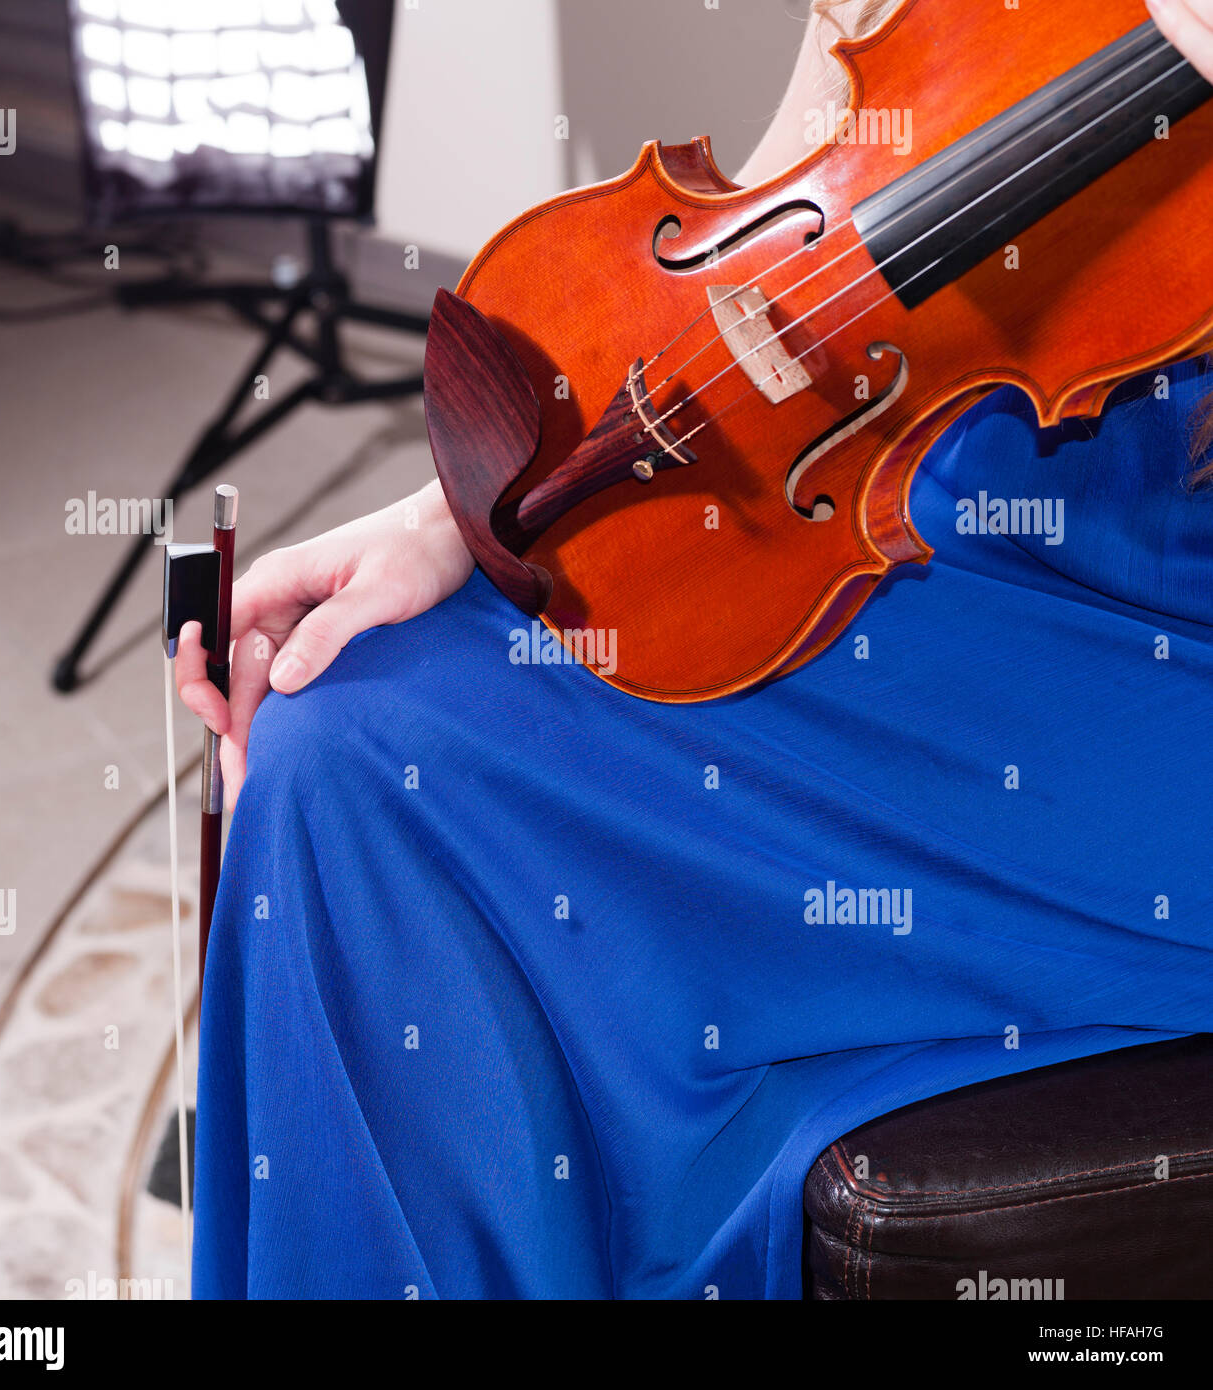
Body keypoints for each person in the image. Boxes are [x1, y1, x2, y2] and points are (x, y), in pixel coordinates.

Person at [179, 1, 1213, 1298]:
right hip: (918, 512)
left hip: (1167, 685)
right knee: (349, 739)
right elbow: (804, 214)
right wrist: (482, 509)